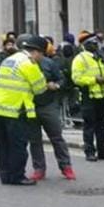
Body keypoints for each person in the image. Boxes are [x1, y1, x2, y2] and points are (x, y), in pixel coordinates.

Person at [0, 35, 49, 185]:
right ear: (36, 51)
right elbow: (40, 88)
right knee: (18, 145)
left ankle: (5, 175)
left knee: (3, 145)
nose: (41, 58)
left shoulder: (8, 60)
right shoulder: (29, 64)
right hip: (16, 110)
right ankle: (17, 176)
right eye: (42, 54)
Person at [28, 42, 76, 181]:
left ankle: (66, 167)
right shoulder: (25, 65)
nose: (31, 55)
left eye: (34, 52)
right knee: (34, 140)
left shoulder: (50, 64)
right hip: (31, 105)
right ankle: (39, 168)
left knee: (56, 137)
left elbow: (62, 79)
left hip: (48, 105)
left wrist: (56, 85)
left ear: (41, 53)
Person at [72, 31, 104, 162]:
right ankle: (89, 151)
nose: (96, 45)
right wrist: (95, 80)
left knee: (101, 125)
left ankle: (103, 151)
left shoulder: (101, 57)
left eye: (97, 43)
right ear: (86, 45)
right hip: (89, 96)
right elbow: (77, 78)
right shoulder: (80, 59)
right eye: (93, 43)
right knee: (89, 125)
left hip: (102, 96)